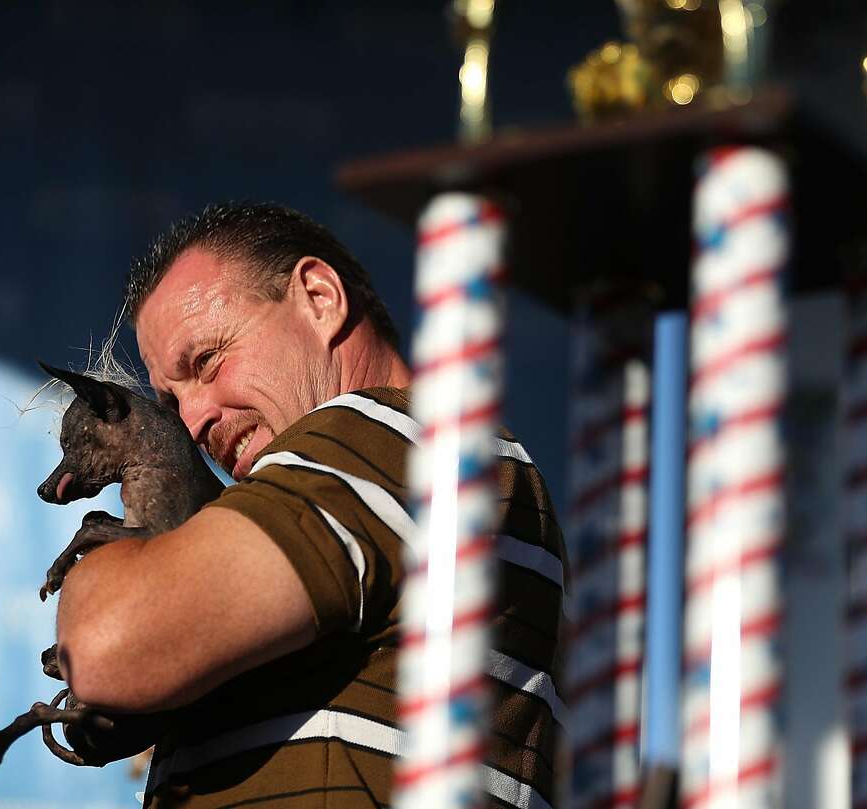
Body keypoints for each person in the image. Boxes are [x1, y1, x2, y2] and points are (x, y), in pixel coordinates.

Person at [54, 202, 568, 808]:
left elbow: (106, 645)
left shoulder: (393, 434)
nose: (192, 422)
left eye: (208, 361)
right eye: (171, 402)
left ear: (320, 298)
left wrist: (128, 569)